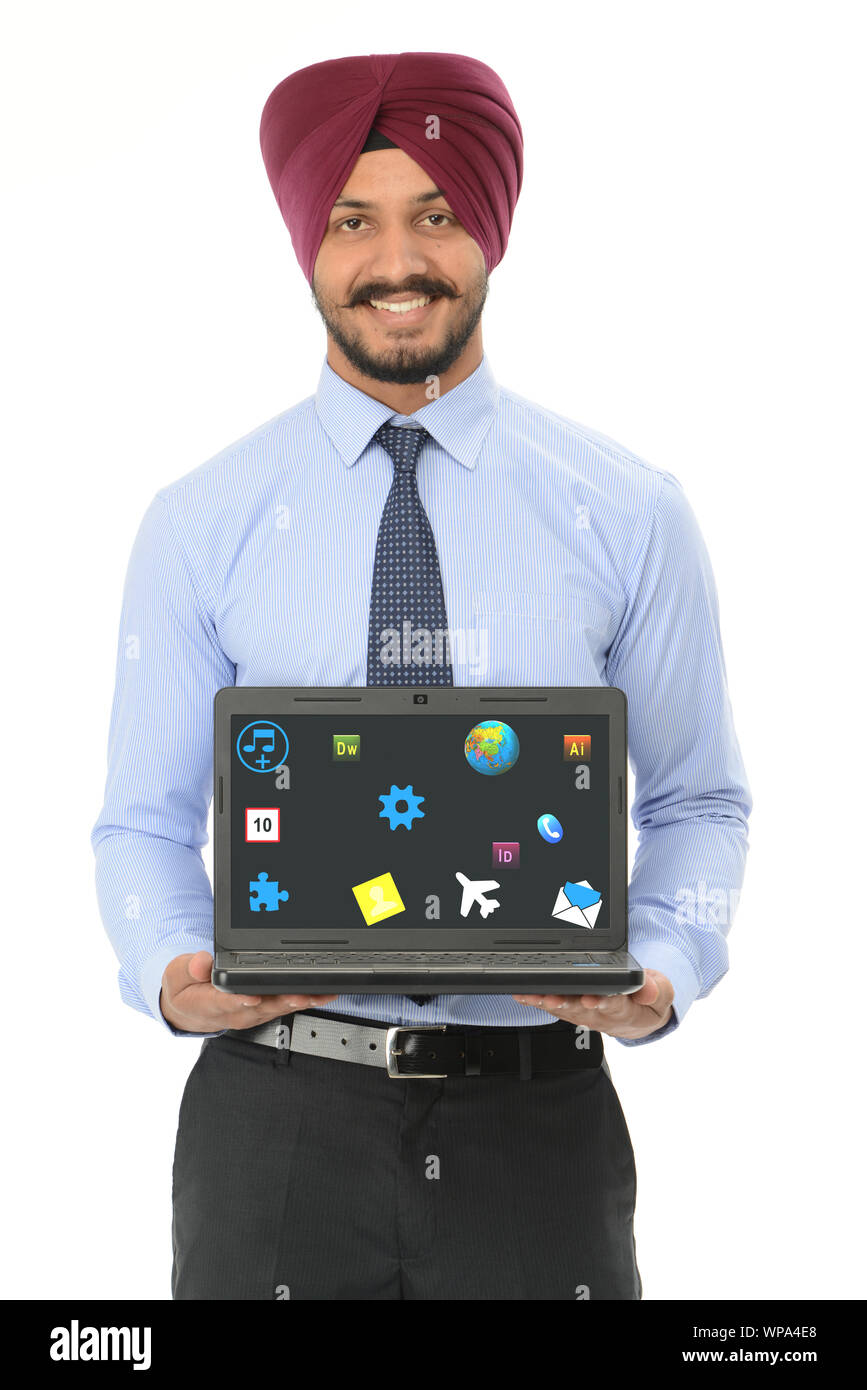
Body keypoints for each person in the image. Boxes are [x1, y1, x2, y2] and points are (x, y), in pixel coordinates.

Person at [91, 51, 752, 1301]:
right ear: (309, 242)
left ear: (489, 227)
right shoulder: (201, 521)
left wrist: (663, 962)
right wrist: (175, 972)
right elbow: (139, 823)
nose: (398, 260)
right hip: (273, 1129)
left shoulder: (629, 511)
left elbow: (701, 803)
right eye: (354, 220)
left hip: (537, 1126)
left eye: (436, 213)